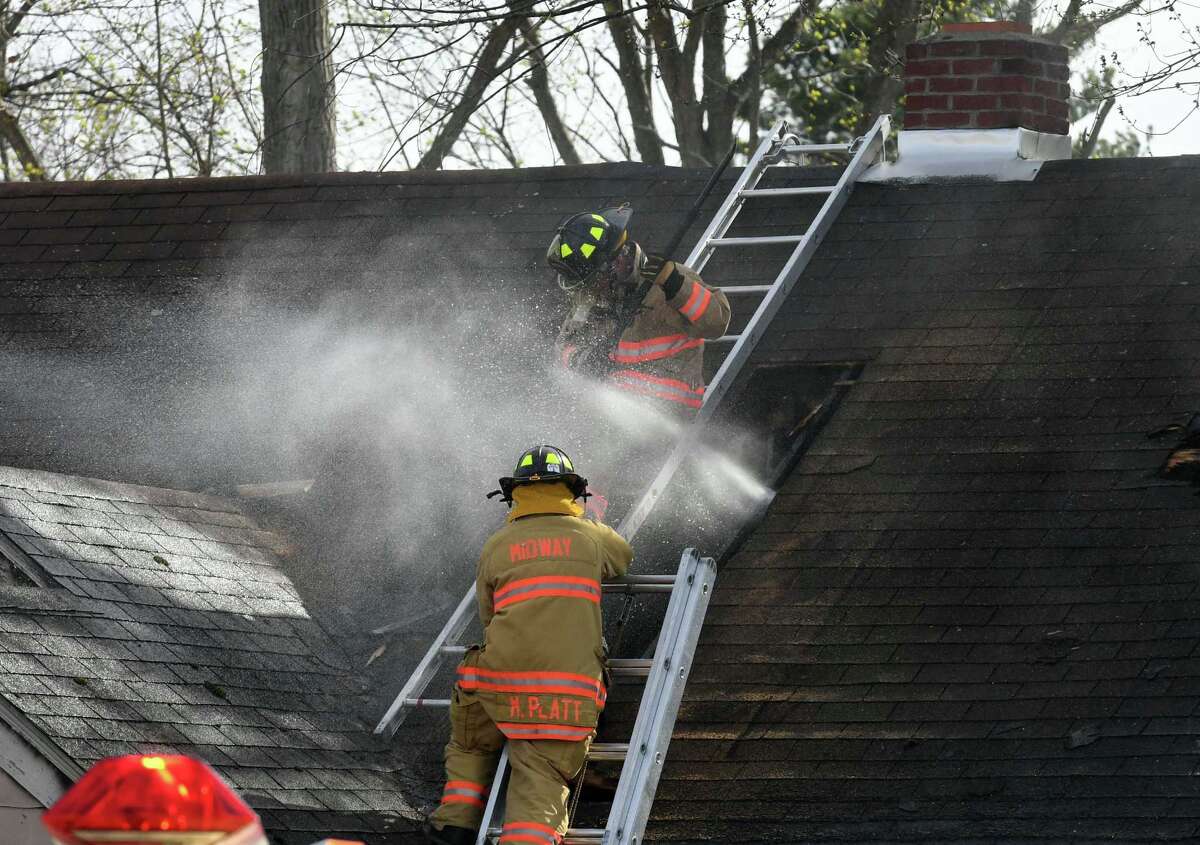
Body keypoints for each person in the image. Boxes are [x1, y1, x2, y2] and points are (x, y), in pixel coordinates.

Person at [425, 445, 633, 845]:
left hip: (496, 685)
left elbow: (488, 617)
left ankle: (455, 824)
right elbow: (622, 556)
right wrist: (592, 521)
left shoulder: (497, 545)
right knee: (539, 785)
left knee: (470, 742)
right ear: (572, 490)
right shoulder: (589, 537)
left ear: (515, 493)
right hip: (560, 697)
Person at [548, 206, 731, 414]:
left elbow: (717, 324)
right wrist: (582, 360)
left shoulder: (669, 280)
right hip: (609, 411)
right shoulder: (592, 296)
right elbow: (564, 344)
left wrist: (675, 286)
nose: (587, 290)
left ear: (615, 264)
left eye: (591, 281)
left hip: (669, 407)